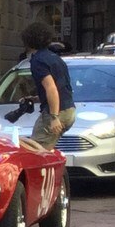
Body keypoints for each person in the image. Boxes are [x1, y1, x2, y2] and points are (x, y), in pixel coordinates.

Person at [22, 21, 77, 150]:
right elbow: (61, 87)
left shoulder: (37, 61)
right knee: (47, 150)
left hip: (57, 112)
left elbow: (51, 88)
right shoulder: (55, 58)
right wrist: (37, 98)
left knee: (36, 151)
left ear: (28, 40)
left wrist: (54, 117)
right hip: (69, 110)